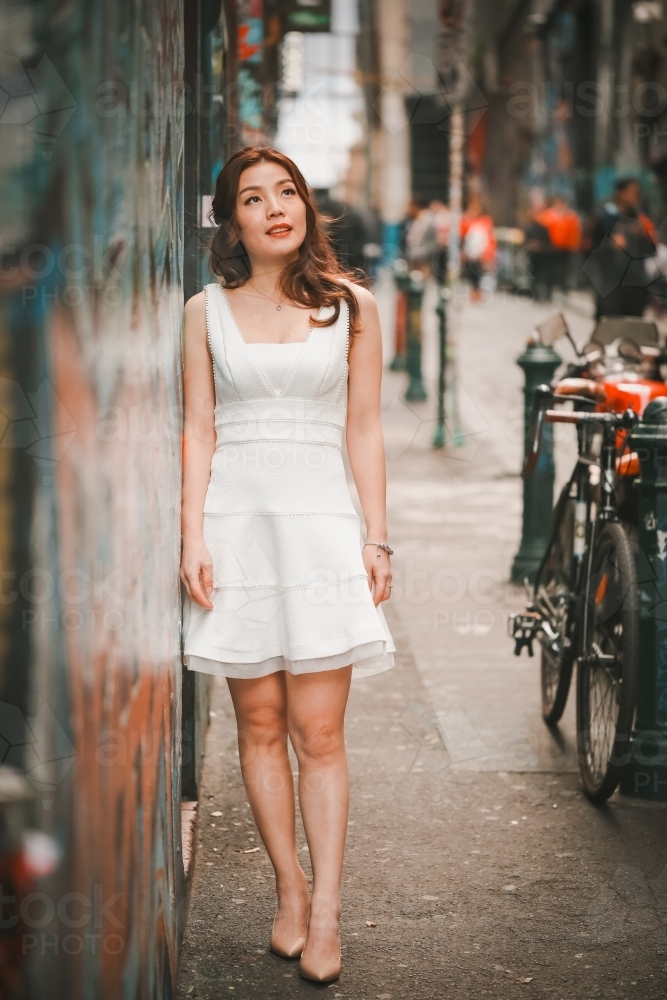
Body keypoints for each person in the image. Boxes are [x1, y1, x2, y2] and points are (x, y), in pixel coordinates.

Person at [180, 147, 395, 984]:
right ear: (231, 220)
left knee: (320, 732)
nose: (276, 207)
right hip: (234, 527)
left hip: (319, 530)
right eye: (253, 197)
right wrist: (190, 535)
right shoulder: (202, 312)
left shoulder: (353, 308)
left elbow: (365, 430)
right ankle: (290, 892)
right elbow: (198, 429)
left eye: (287, 192)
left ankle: (331, 908)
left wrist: (377, 537)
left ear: (306, 206)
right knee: (258, 725)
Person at [589, 177, 658, 319]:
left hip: (636, 286)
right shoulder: (604, 218)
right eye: (633, 192)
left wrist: (643, 236)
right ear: (621, 193)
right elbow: (590, 252)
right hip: (611, 286)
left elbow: (652, 251)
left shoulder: (640, 220)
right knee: (611, 331)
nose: (636, 197)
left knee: (633, 334)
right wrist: (610, 245)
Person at [536, 195, 582, 296]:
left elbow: (575, 233)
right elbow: (540, 230)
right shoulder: (547, 215)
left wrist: (574, 245)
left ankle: (563, 290)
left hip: (566, 248)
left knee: (565, 270)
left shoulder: (570, 216)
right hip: (551, 247)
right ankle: (549, 290)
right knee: (551, 269)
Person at [460, 195, 497, 302]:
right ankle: (474, 294)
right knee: (472, 274)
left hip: (481, 252)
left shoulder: (485, 221)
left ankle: (478, 294)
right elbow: (462, 234)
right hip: (471, 253)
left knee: (479, 274)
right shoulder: (468, 220)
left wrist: (489, 253)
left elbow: (489, 238)